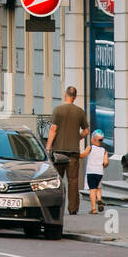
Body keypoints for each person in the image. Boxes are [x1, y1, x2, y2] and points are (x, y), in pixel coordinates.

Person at [44, 86, 89, 215]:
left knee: (56, 180)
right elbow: (86, 131)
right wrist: (77, 137)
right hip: (73, 152)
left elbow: (53, 129)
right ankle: (73, 208)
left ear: (65, 95)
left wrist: (48, 147)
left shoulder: (58, 110)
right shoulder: (80, 112)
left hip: (58, 152)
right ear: (75, 97)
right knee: (73, 181)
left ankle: (55, 206)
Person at [80, 130, 109, 213]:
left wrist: (76, 154)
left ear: (93, 139)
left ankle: (93, 209)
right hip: (100, 172)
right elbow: (106, 163)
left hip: (91, 171)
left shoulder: (90, 147)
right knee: (98, 188)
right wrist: (101, 166)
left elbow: (83, 155)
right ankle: (99, 200)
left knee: (92, 190)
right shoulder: (104, 150)